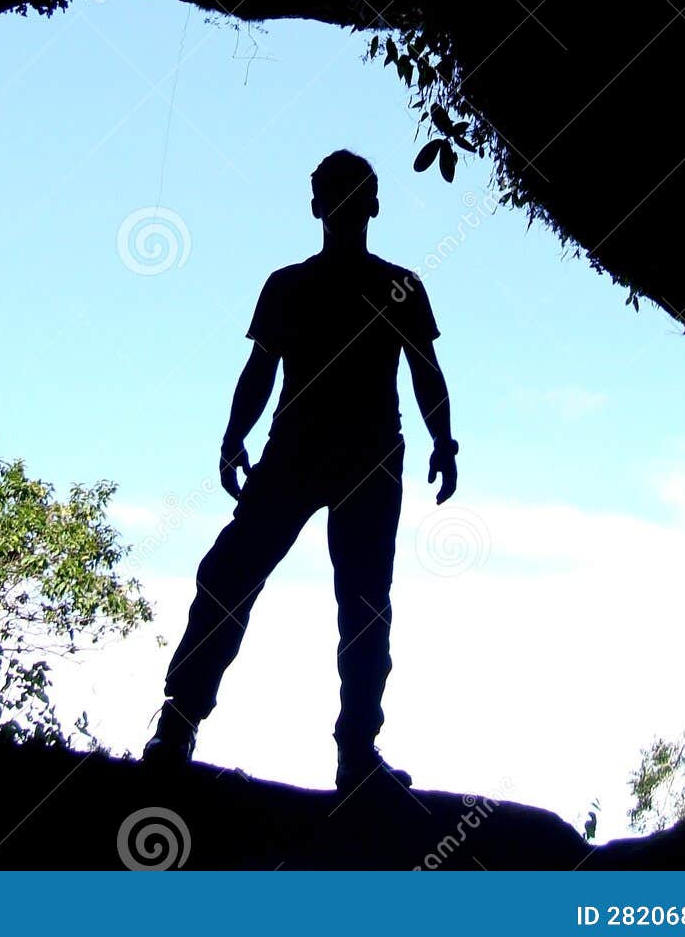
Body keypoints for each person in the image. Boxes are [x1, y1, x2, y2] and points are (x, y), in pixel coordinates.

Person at [142, 149, 458, 792]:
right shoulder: (293, 285)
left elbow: (425, 370)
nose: (341, 205)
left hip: (359, 459)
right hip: (303, 454)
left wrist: (445, 440)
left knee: (357, 602)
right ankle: (182, 722)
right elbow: (262, 369)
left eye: (349, 193)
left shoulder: (389, 287)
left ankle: (352, 750)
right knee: (240, 579)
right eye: (335, 193)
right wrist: (235, 436)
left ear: (366, 204)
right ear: (322, 204)